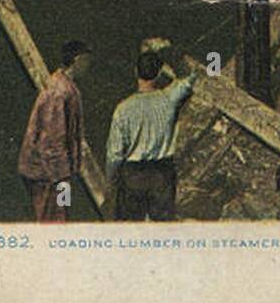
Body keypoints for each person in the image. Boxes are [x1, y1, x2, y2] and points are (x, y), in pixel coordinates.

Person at [106, 51, 196, 221]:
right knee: (162, 230)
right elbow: (190, 77)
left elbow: (114, 154)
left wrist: (110, 182)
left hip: (133, 175)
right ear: (159, 73)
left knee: (130, 229)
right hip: (162, 173)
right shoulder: (169, 99)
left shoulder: (123, 109)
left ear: (135, 72)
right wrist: (171, 53)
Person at [17, 40, 92, 223]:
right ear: (77, 60)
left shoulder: (67, 86)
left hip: (60, 174)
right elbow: (51, 141)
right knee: (52, 221)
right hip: (49, 175)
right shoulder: (59, 91)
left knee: (61, 215)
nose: (88, 67)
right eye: (87, 61)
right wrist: (61, 178)